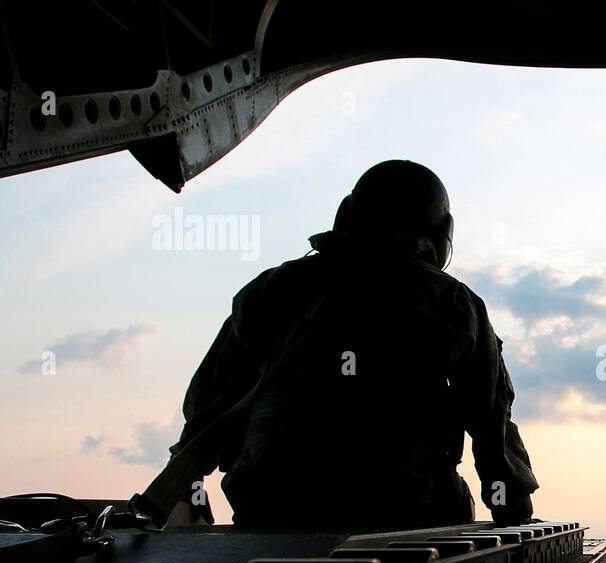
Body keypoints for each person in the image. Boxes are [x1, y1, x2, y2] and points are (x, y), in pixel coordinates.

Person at [171, 160, 538, 529]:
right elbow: (490, 419)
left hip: (268, 505)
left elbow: (208, 400)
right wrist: (511, 503)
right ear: (443, 233)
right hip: (406, 508)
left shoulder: (272, 288)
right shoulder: (453, 302)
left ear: (347, 212)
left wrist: (185, 486)